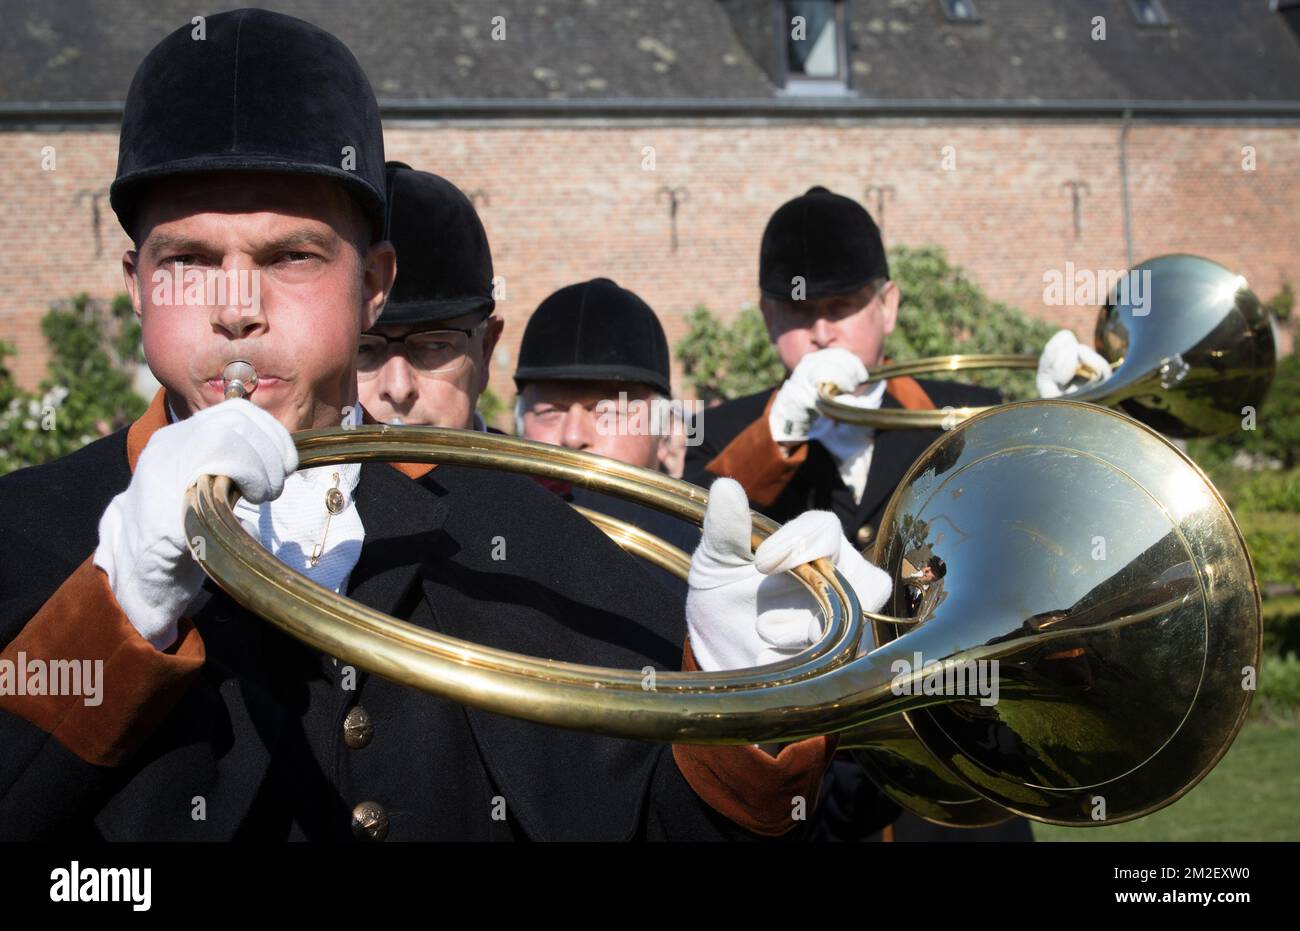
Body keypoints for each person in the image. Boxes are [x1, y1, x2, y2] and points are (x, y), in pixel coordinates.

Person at [0, 11, 890, 841]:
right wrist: (114, 617)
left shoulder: (520, 540)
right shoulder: (23, 533)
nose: (237, 311)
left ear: (373, 284)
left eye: (291, 257)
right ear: (135, 282)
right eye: (188, 260)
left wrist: (740, 708)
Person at [682, 185, 1030, 842]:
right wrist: (775, 438)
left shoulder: (968, 413)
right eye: (797, 309)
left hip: (955, 787)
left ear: (888, 305)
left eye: (843, 306)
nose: (820, 331)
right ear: (765, 316)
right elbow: (690, 544)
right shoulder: (724, 433)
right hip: (801, 791)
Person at [514, 278, 698, 579]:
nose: (572, 437)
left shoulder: (712, 564)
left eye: (607, 411)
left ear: (665, 437)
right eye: (549, 411)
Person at [357, 162, 503, 430]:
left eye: (435, 345)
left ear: (485, 350)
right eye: (362, 349)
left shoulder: (532, 473)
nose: (399, 389)